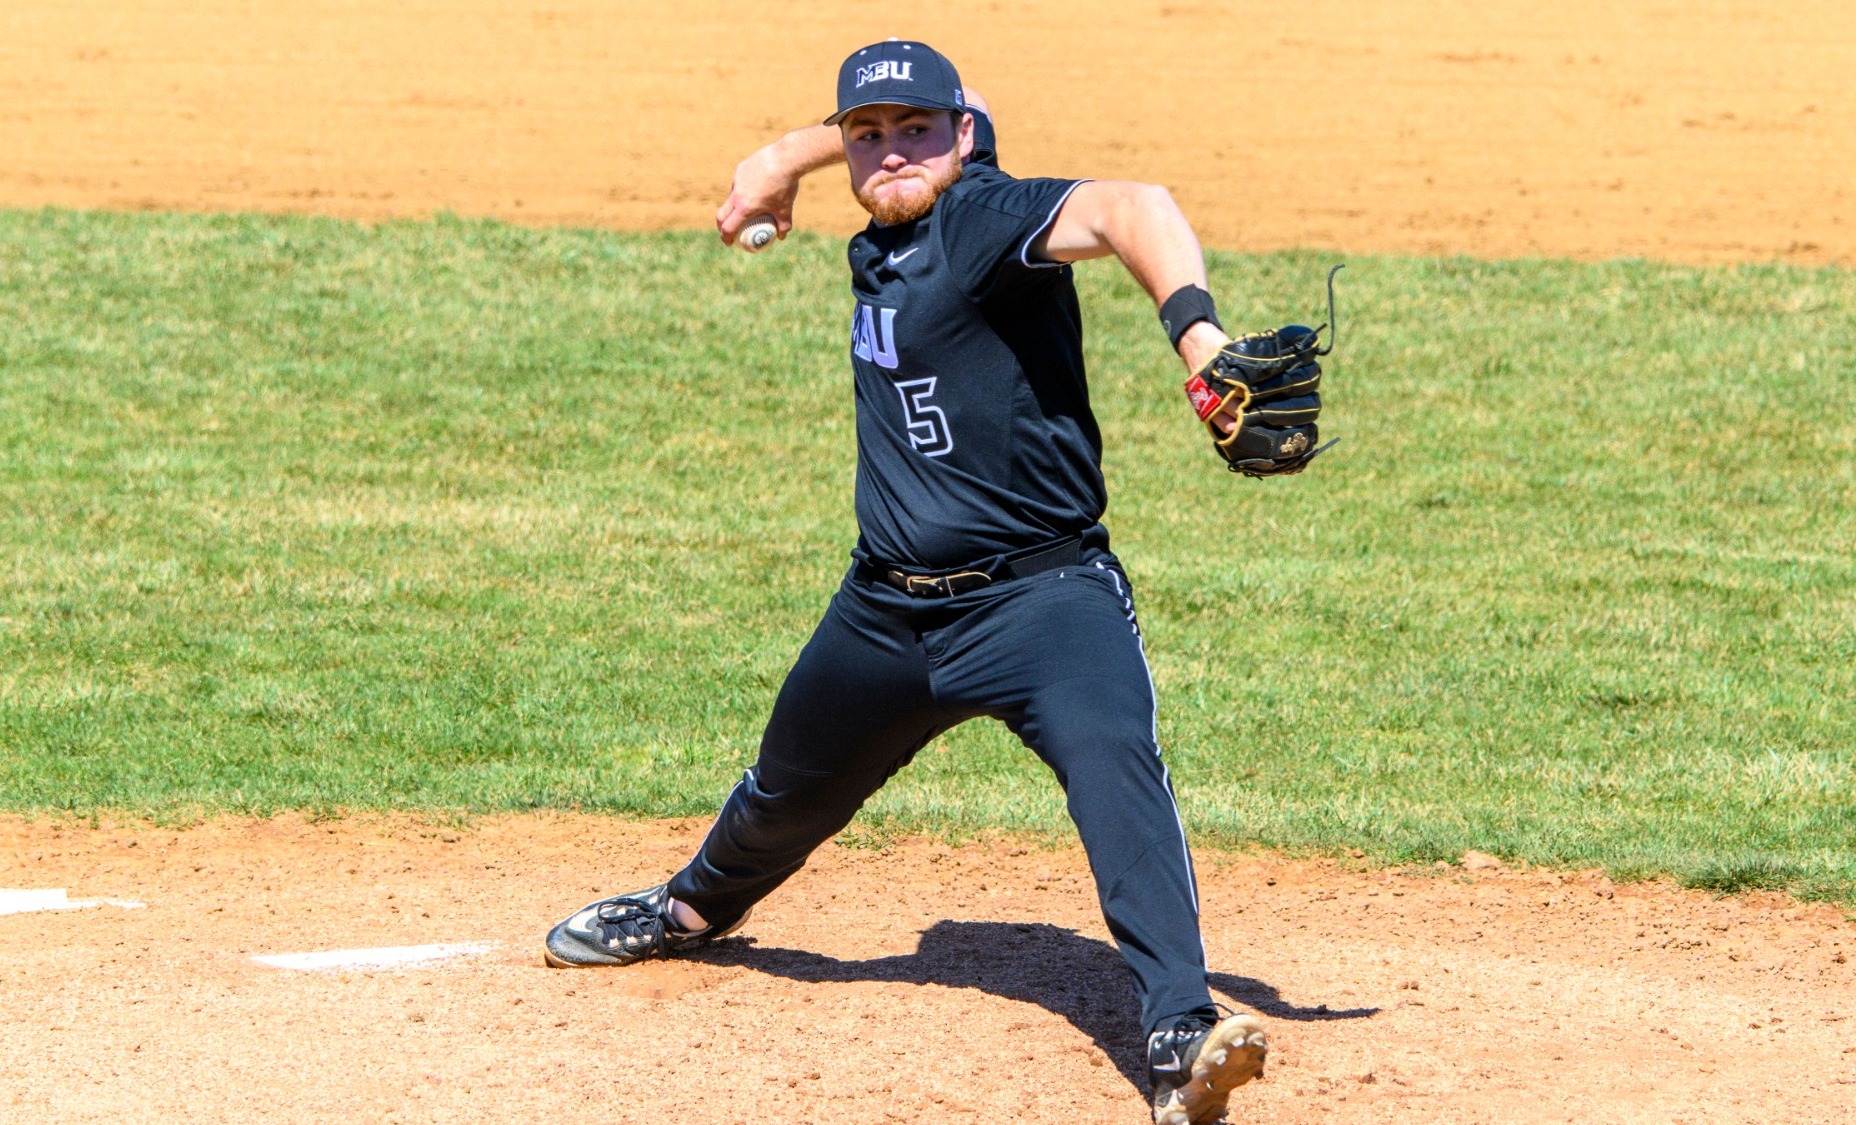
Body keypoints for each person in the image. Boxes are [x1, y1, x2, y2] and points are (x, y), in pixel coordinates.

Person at [546, 39, 1271, 1125]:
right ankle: (690, 911)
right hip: (884, 612)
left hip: (1042, 604)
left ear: (964, 138)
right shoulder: (890, 194)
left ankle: (1177, 1028)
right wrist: (786, 157)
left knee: (1116, 780)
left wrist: (1197, 335)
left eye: (916, 131)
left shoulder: (984, 222)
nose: (891, 153)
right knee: (784, 791)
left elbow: (1133, 205)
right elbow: (881, 132)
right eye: (867, 136)